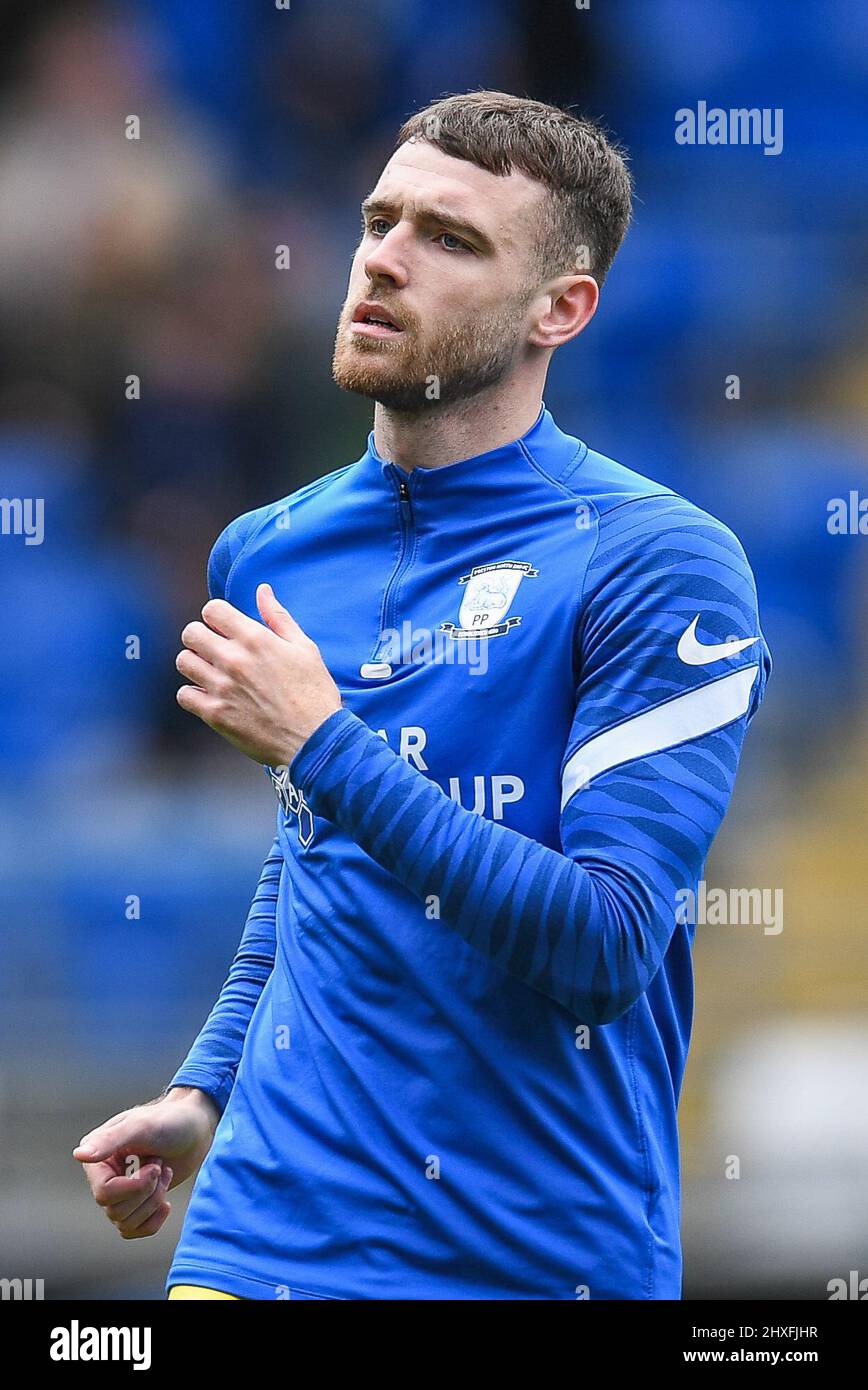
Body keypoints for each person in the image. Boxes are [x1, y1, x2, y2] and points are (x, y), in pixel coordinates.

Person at [75, 90, 771, 1300]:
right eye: (377, 220)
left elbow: (607, 943)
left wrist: (327, 744)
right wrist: (207, 1084)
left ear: (562, 307)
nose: (385, 261)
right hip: (264, 1241)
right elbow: (312, 853)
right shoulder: (268, 549)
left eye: (450, 239)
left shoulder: (656, 559)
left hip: (535, 1259)